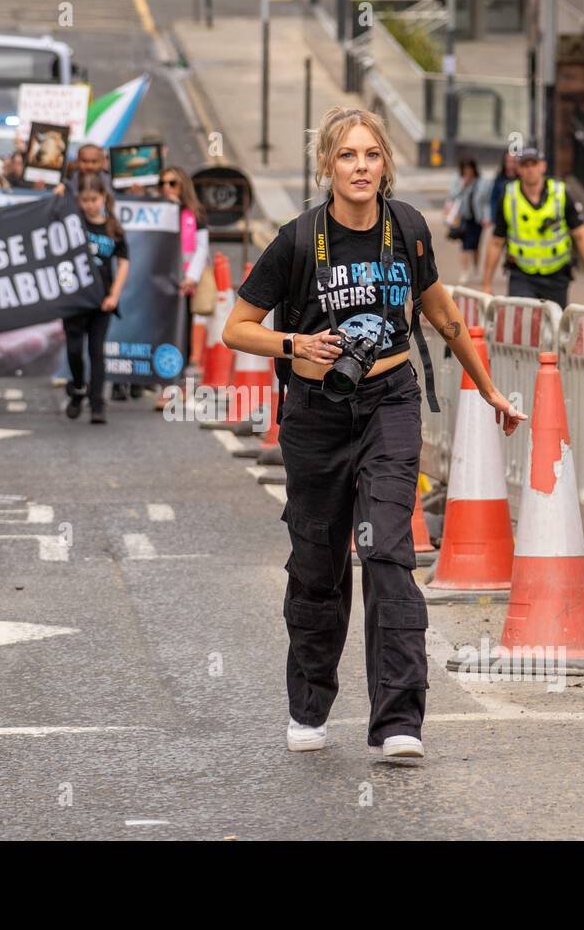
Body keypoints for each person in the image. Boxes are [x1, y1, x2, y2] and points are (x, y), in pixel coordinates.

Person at [223, 107, 525, 758]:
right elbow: (235, 327)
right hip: (315, 412)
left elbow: (444, 318)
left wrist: (491, 389)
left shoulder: (408, 229)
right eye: (347, 156)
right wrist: (295, 340)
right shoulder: (298, 240)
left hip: (390, 398)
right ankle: (309, 707)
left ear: (385, 164)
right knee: (318, 563)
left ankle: (398, 722)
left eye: (371, 155)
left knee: (389, 554)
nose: (360, 167)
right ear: (327, 167)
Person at [480, 145, 584, 307]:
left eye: (534, 164)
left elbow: (581, 234)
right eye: (525, 165)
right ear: (518, 169)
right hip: (521, 274)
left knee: (554, 327)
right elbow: (496, 242)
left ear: (543, 166)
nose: (530, 170)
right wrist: (487, 284)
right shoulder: (509, 197)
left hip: (557, 275)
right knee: (523, 321)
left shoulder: (560, 193)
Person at [64, 175, 128, 425]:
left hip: (102, 300)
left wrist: (114, 295)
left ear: (103, 199)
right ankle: (79, 387)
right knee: (74, 350)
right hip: (75, 299)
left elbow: (123, 263)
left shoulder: (113, 229)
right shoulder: (74, 225)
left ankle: (97, 403)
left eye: (94, 199)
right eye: (85, 200)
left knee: (96, 350)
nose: (90, 205)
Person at [152, 165, 208, 408]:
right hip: (157, 283)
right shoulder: (154, 211)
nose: (167, 188)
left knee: (181, 332)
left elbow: (201, 248)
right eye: (163, 183)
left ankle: (179, 382)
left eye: (172, 183)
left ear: (182, 185)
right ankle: (165, 384)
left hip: (183, 284)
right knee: (159, 332)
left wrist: (191, 278)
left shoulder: (194, 214)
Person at [444, 157, 491, 282]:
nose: (467, 173)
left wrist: (486, 217)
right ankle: (464, 271)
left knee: (475, 246)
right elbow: (452, 196)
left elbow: (486, 201)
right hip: (463, 217)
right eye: (465, 170)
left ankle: (476, 268)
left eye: (469, 170)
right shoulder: (458, 180)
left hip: (477, 218)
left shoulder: (482, 182)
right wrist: (462, 186)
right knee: (465, 246)